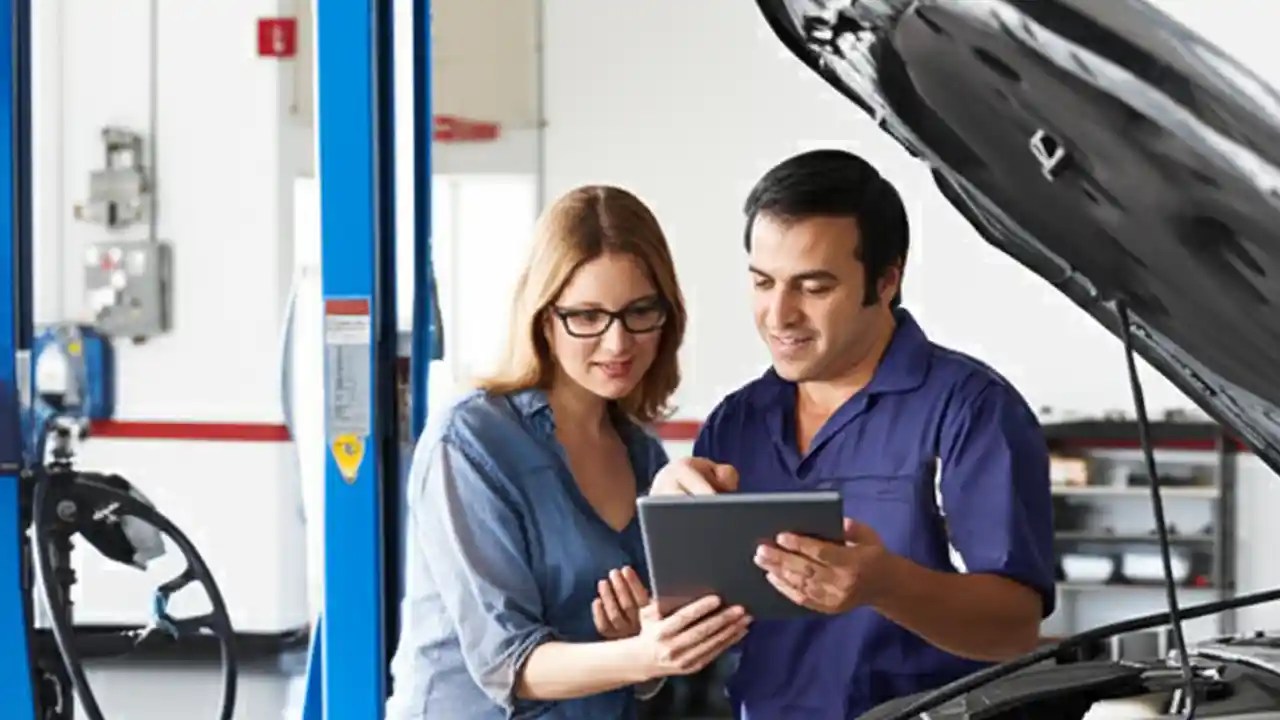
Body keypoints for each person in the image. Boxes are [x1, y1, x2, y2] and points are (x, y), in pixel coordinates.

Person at [621, 149, 1056, 718]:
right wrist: (652, 617)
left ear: (885, 280)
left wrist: (886, 586)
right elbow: (707, 634)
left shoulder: (971, 411)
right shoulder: (735, 423)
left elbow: (1015, 628)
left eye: (813, 287)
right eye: (763, 282)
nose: (779, 315)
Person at [385, 185, 751, 720]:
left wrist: (642, 646)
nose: (617, 343)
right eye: (587, 316)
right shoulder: (470, 443)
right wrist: (643, 656)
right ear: (543, 318)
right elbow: (507, 664)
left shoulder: (644, 457)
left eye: (639, 312)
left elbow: (634, 670)